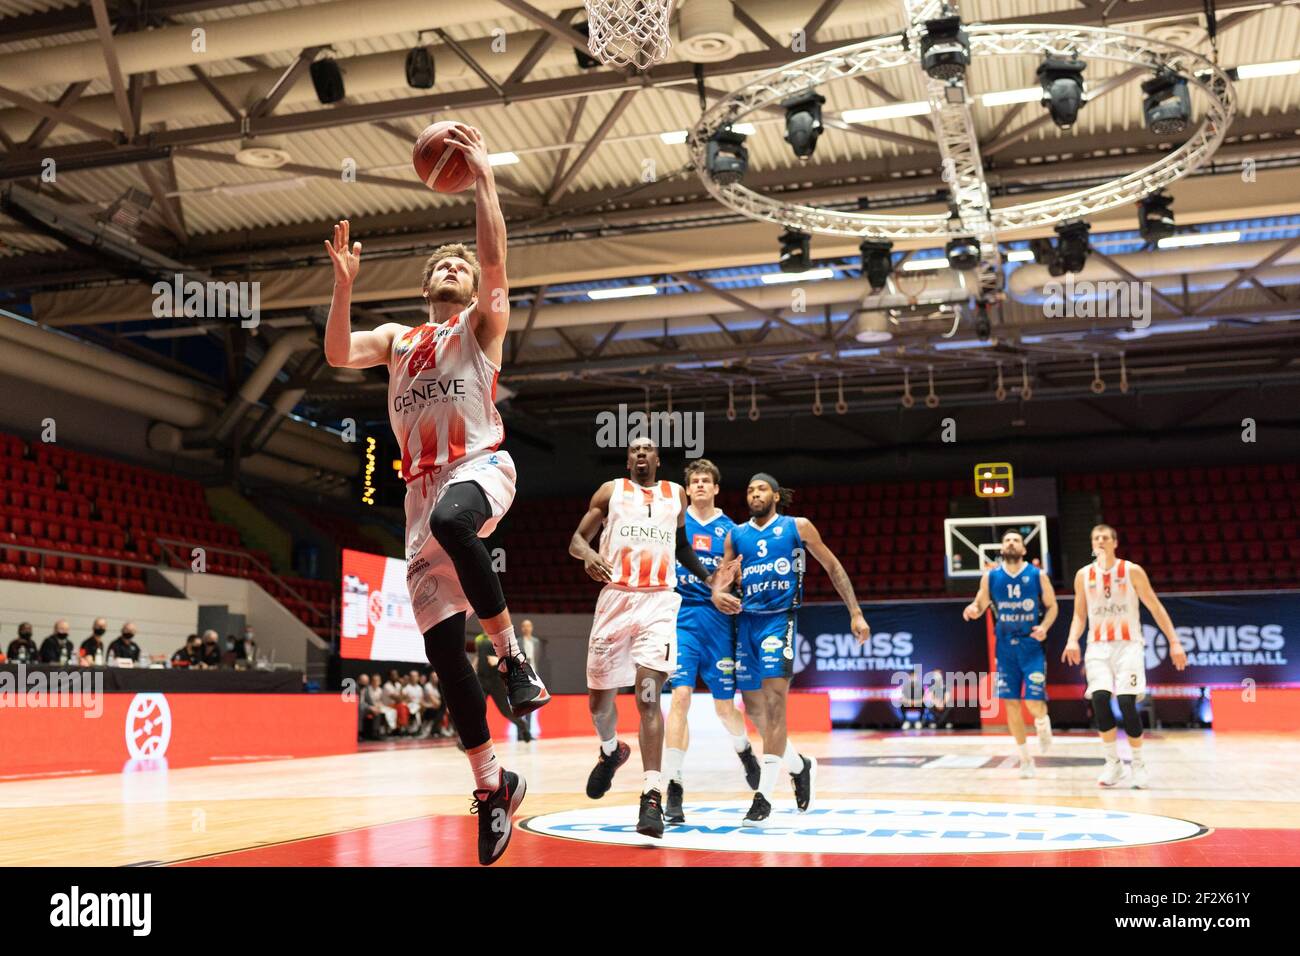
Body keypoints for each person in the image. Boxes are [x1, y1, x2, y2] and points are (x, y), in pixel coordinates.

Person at [322, 122, 545, 865]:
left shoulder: (483, 327)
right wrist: (343, 290)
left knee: (458, 521)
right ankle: (492, 786)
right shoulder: (396, 338)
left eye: (461, 263)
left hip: (480, 468)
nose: (455, 265)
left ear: (474, 288)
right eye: (441, 262)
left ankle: (514, 660)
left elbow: (491, 253)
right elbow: (334, 352)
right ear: (425, 287)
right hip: (418, 499)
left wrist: (483, 181)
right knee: (447, 661)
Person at [568, 437, 734, 839]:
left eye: (648, 449)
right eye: (634, 449)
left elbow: (680, 547)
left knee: (647, 693)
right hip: (615, 599)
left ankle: (651, 794)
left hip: (659, 602)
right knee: (599, 702)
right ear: (628, 460)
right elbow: (576, 541)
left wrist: (710, 578)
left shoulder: (675, 495)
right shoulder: (611, 492)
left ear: (658, 459)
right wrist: (589, 556)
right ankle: (611, 752)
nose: (641, 453)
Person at [712, 473, 869, 826]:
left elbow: (833, 566)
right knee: (756, 711)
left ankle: (764, 797)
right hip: (745, 622)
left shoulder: (797, 527)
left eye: (761, 488)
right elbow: (720, 583)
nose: (754, 493)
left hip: (778, 620)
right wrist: (721, 589)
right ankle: (800, 766)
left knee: (774, 704)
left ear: (776, 495)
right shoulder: (735, 534)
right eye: (750, 489)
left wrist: (855, 613)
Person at [661, 459, 761, 824]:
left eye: (707, 481)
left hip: (719, 623)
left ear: (716, 488)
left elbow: (742, 578)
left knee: (724, 709)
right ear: (687, 490)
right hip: (681, 618)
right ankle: (673, 784)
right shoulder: (674, 523)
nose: (700, 485)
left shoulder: (732, 531)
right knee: (681, 698)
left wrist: (733, 592)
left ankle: (744, 749)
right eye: (695, 481)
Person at [1063, 524, 1187, 788]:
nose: (1100, 541)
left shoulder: (1131, 571)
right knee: (1099, 699)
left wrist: (1174, 642)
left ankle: (1138, 764)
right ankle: (1113, 764)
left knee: (1128, 702)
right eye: (1096, 538)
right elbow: (1079, 614)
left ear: (1115, 542)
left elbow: (1154, 605)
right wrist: (1072, 639)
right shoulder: (1083, 575)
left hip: (1128, 644)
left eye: (1105, 537)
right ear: (1091, 543)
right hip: (1097, 646)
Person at [962, 531, 1058, 777]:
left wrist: (1045, 627)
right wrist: (972, 609)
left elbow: (1052, 606)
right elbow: (980, 603)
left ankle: (1041, 721)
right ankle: (1026, 760)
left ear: (1024, 549)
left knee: (1034, 703)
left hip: (1031, 645)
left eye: (1016, 540)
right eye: (1007, 540)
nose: (1011, 543)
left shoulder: (1037, 575)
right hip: (1004, 647)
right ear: (1002, 547)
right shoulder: (991, 576)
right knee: (1011, 704)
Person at [475, 633, 532, 741]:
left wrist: (497, 660)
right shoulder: (480, 640)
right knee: (477, 708)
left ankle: (523, 725)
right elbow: (478, 657)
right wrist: (473, 669)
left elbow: (513, 660)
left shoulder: (503, 640)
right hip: (481, 679)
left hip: (496, 681)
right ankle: (469, 739)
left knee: (505, 711)